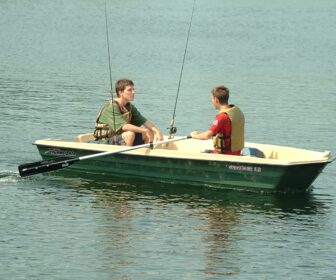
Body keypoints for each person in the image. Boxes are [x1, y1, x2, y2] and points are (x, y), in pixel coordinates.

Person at [94, 79, 163, 146]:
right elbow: (124, 127)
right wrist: (145, 130)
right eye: (129, 90)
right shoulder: (112, 108)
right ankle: (127, 156)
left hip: (119, 138)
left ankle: (144, 155)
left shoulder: (129, 107)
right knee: (130, 134)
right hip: (105, 141)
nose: (133, 92)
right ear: (120, 93)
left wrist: (157, 131)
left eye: (133, 89)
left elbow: (144, 121)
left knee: (147, 133)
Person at [191, 85, 245, 155]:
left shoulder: (222, 117)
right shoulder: (237, 111)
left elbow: (206, 136)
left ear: (216, 99)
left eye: (212, 99)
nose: (212, 101)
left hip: (224, 154)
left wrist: (194, 135)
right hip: (237, 153)